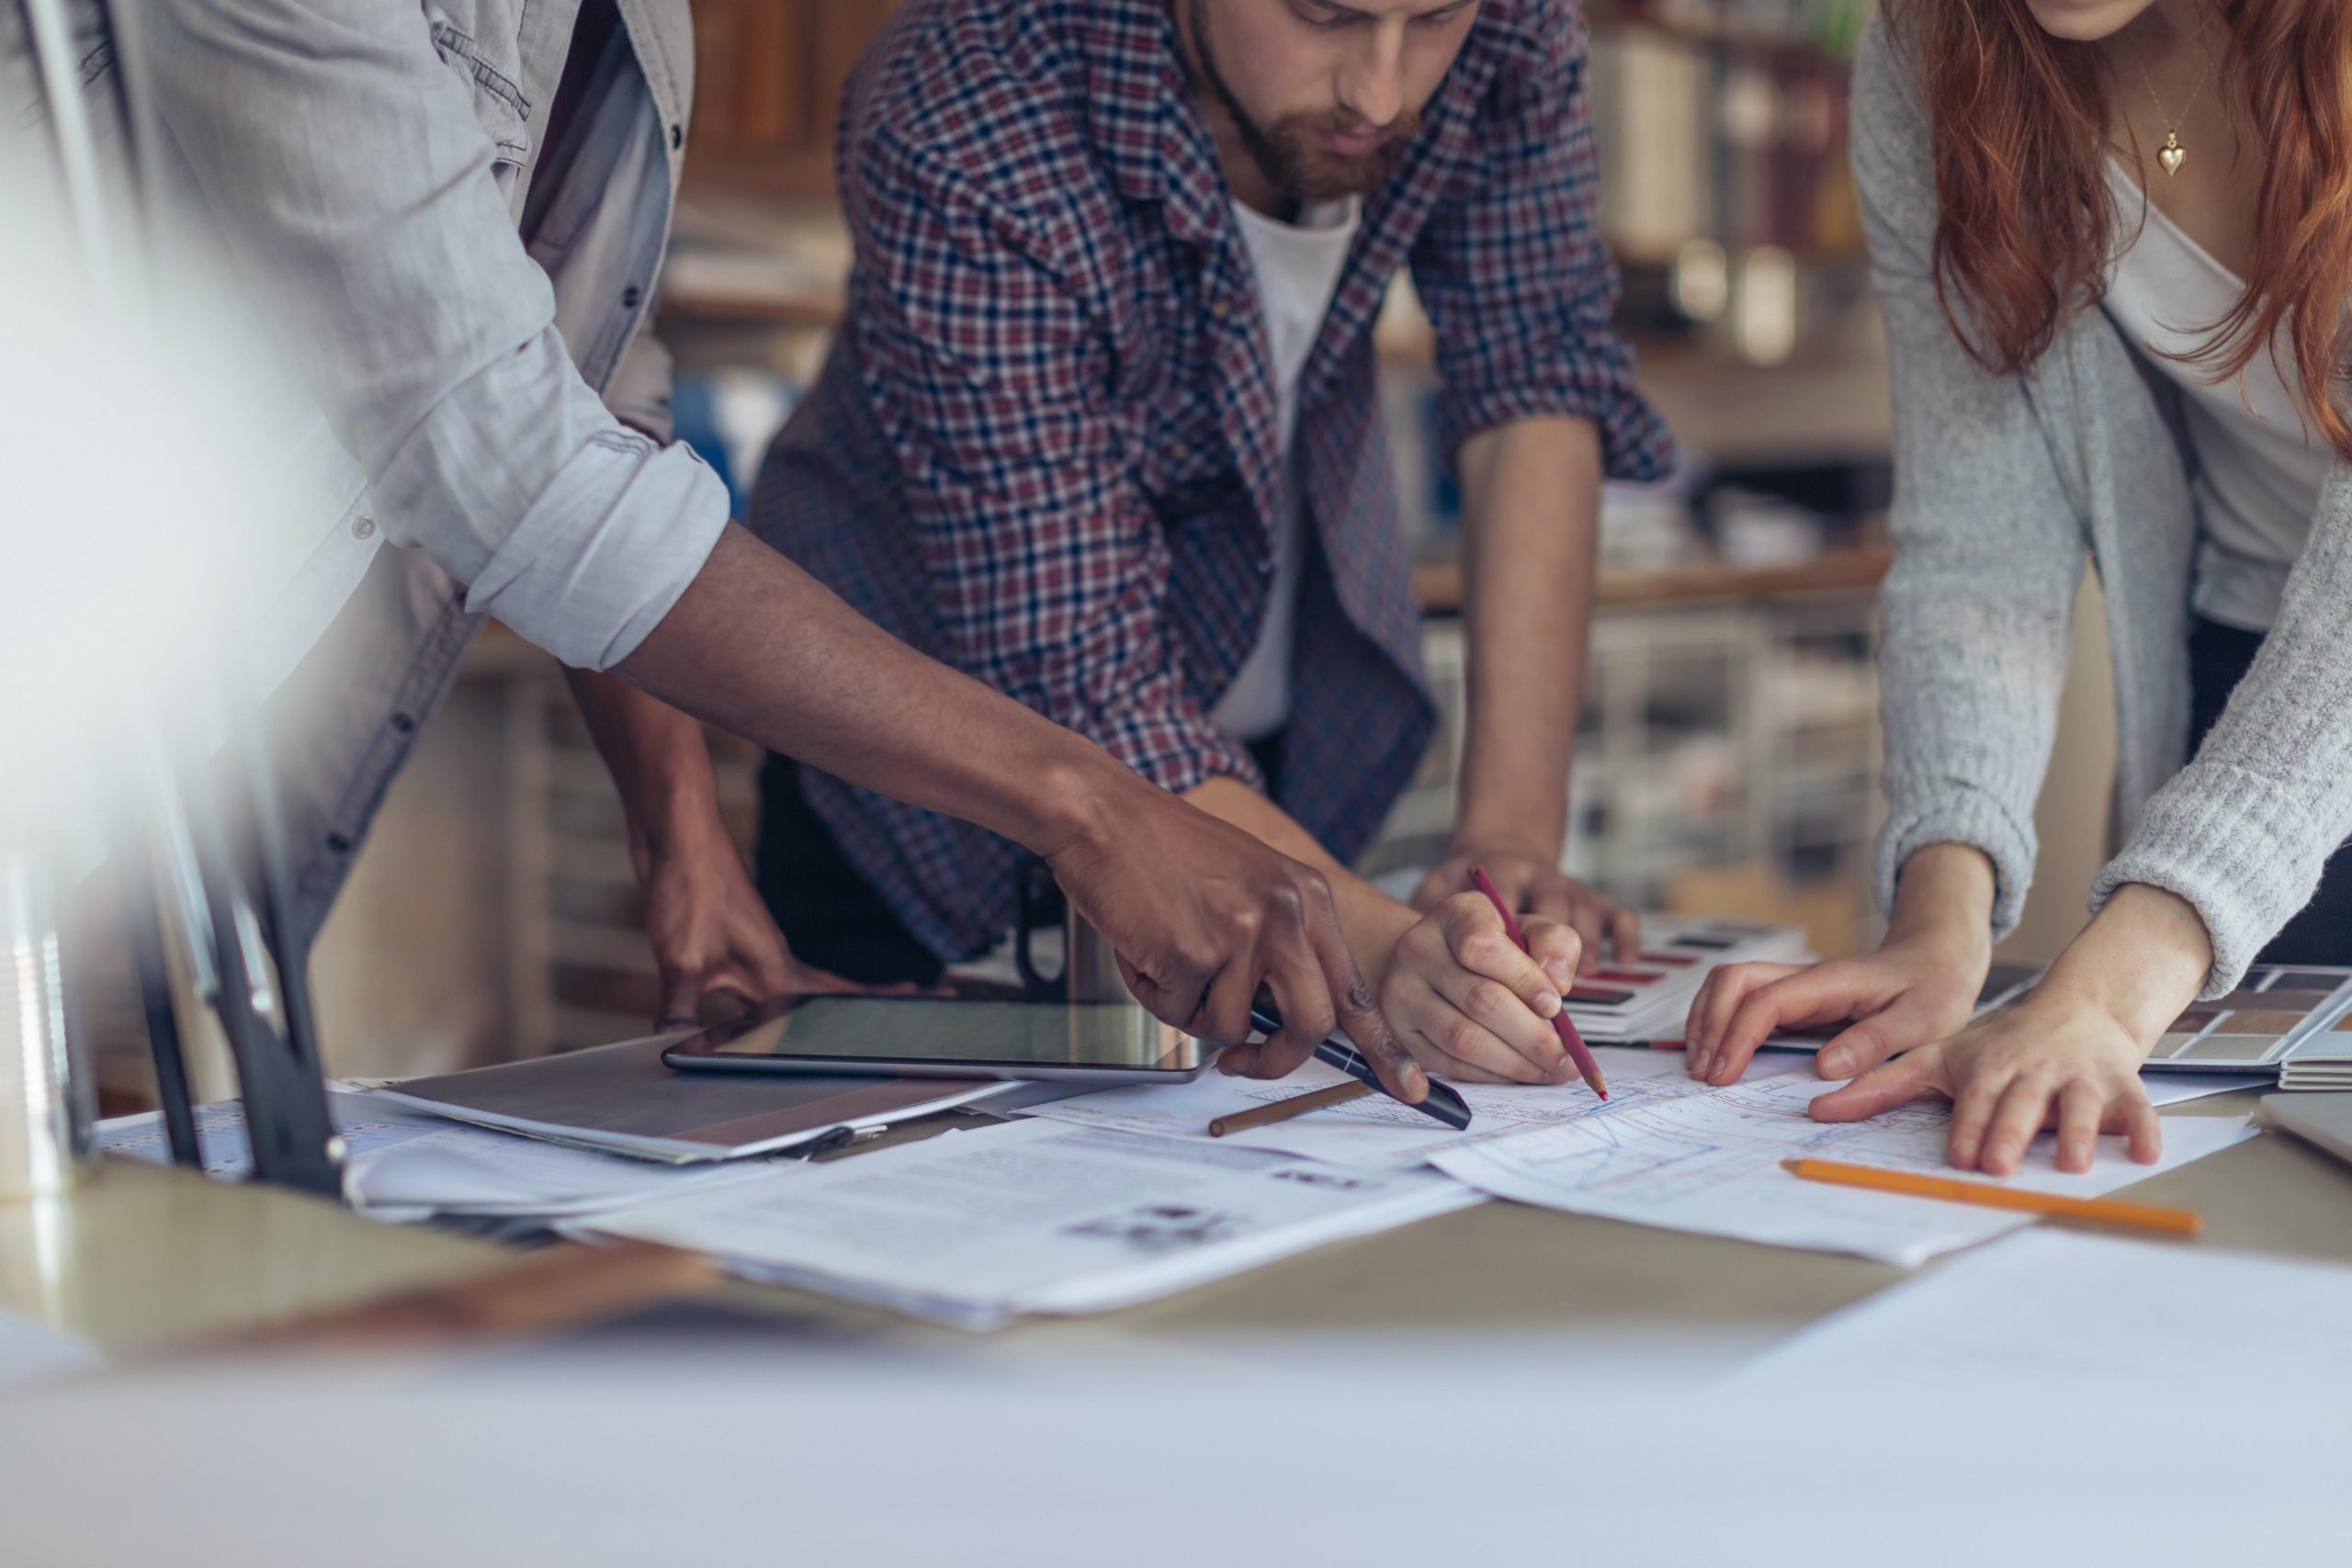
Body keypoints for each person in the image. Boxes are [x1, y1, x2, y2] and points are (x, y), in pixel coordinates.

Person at [3, 0, 1445, 1102]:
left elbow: (588, 385)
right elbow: (495, 444)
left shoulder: (639, 24)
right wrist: (1091, 805)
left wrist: (677, 830)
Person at [594, 0, 1675, 1089]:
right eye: (1323, 14)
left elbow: (1530, 372)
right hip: (938, 816)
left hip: (1276, 784)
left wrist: (1506, 845)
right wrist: (1395, 952)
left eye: (1433, 20)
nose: (1379, 92)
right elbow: (1081, 673)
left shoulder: (1511, 26)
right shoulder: (972, 95)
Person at [1682, 0, 2352, 1172]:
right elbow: (1979, 529)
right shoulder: (1934, 56)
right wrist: (1938, 921)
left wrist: (2118, 973)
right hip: (2238, 681)